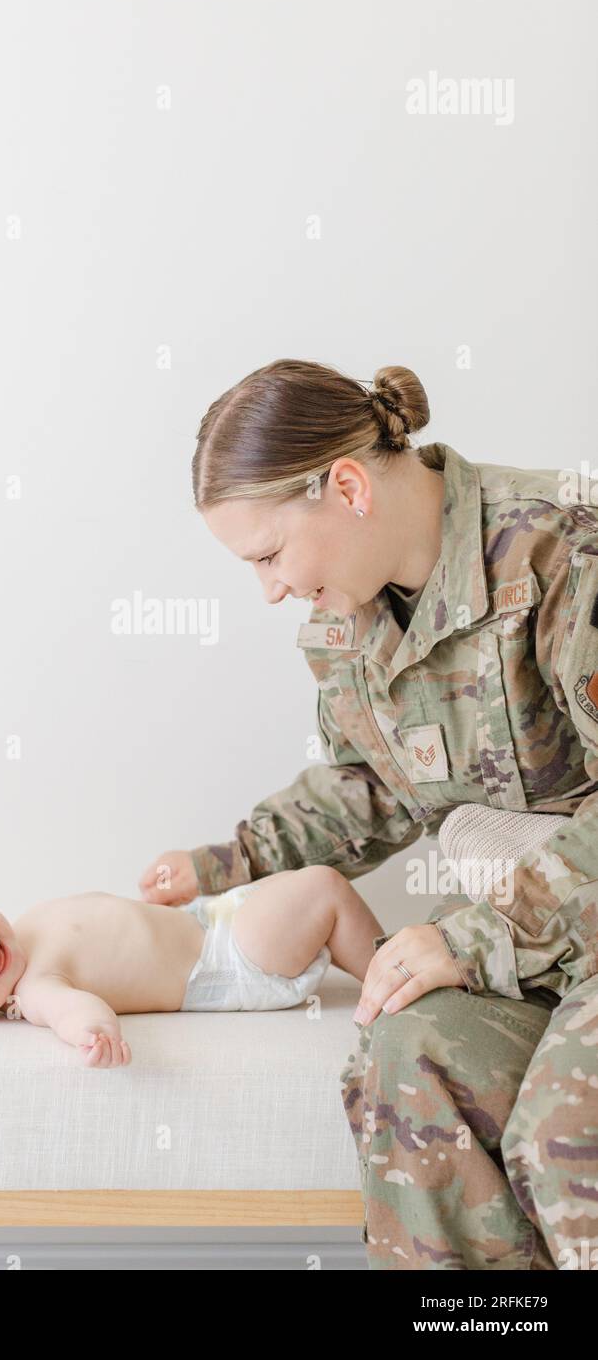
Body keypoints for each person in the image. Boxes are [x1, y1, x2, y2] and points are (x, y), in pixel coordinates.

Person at [138, 358, 598, 1270]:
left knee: (564, 1130)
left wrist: (467, 943)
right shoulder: (344, 623)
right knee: (412, 1059)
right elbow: (378, 784)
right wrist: (223, 862)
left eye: (268, 556)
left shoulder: (561, 548)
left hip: (556, 921)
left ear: (346, 486)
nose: (268, 590)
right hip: (536, 942)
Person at [0, 863, 384, 1061]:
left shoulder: (27, 923)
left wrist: (159, 910)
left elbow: (107, 919)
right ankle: (393, 978)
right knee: (323, 889)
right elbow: (74, 1010)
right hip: (226, 960)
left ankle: (401, 964)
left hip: (209, 918)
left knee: (303, 883)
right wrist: (94, 1034)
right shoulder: (33, 990)